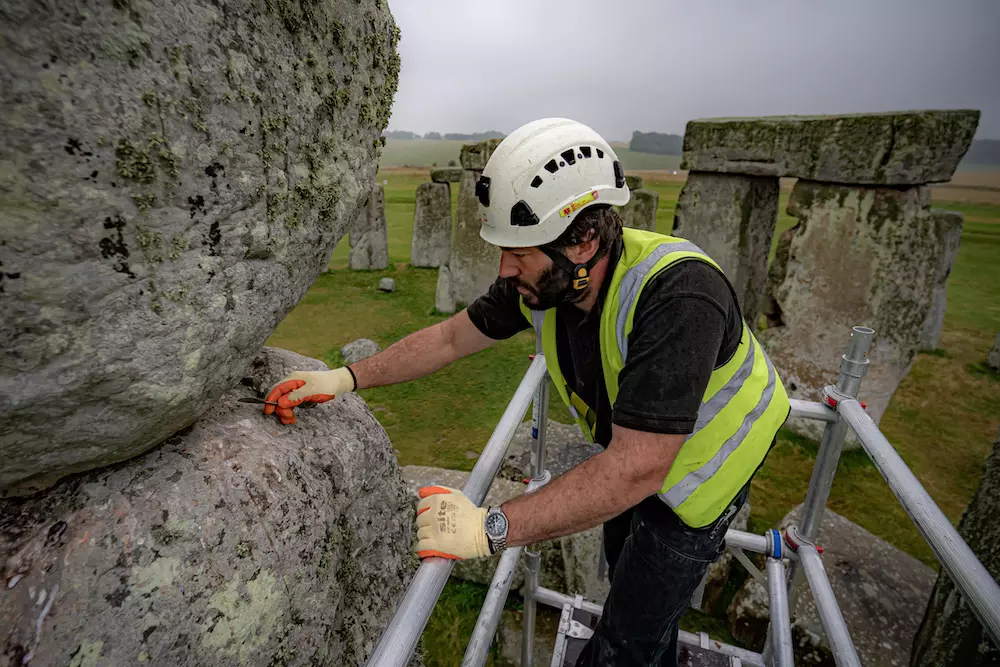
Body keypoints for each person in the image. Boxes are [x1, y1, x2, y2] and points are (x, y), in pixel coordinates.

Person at [264, 118, 790, 666]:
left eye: (520, 251)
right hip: (633, 454)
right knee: (623, 567)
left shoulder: (680, 296)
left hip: (706, 472)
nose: (503, 267)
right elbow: (448, 338)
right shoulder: (547, 282)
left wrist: (490, 528)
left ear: (583, 241)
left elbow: (637, 469)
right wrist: (345, 379)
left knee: (629, 637)